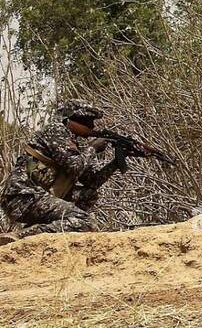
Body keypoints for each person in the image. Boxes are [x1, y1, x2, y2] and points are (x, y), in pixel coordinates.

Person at [0, 104, 127, 243]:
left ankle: (43, 229)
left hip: (40, 196)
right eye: (88, 121)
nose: (92, 126)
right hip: (22, 197)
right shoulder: (56, 130)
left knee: (89, 195)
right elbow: (75, 167)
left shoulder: (72, 142)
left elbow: (92, 181)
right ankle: (20, 237)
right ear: (72, 119)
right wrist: (92, 148)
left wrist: (117, 161)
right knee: (83, 221)